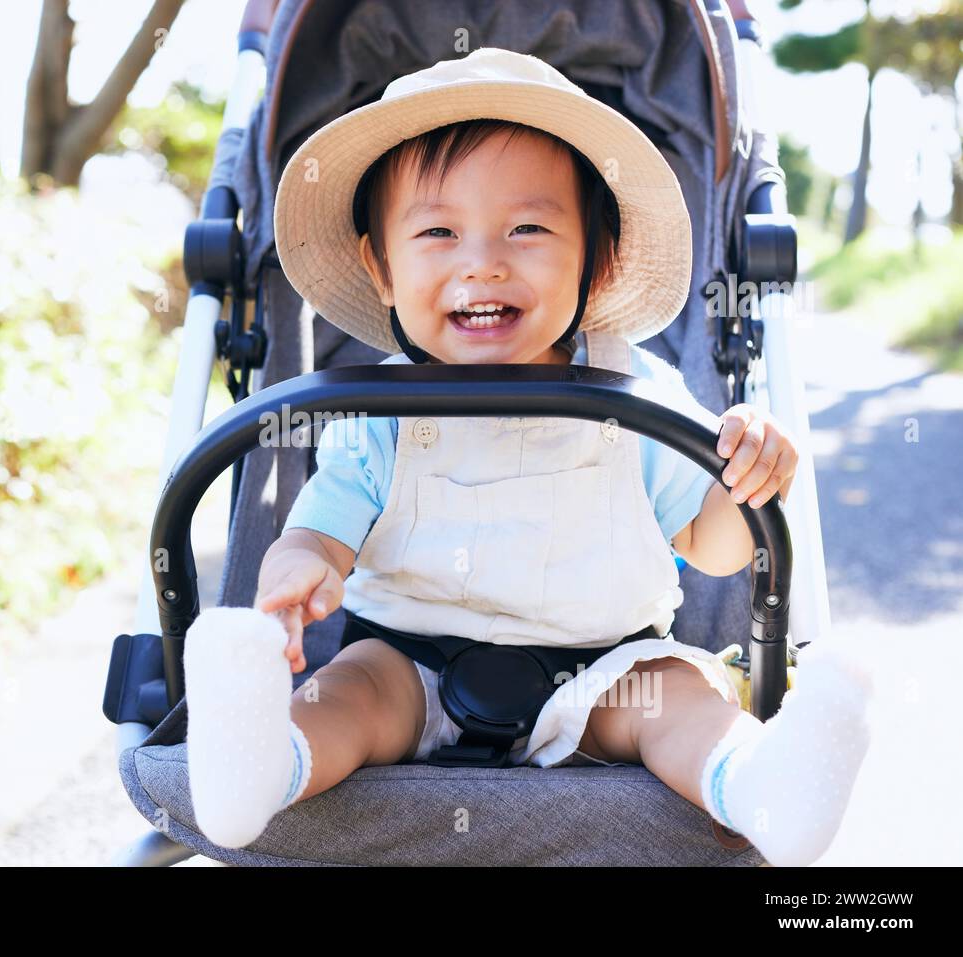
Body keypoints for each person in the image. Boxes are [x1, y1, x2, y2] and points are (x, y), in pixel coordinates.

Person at [183, 48, 872, 866]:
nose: (483, 260)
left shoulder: (633, 393)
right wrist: (296, 568)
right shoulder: (378, 411)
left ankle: (764, 783)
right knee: (346, 694)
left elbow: (717, 546)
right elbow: (321, 532)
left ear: (599, 259)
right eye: (437, 231)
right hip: (410, 661)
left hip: (607, 671)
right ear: (383, 270)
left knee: (679, 696)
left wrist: (749, 477)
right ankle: (259, 763)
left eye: (529, 228)